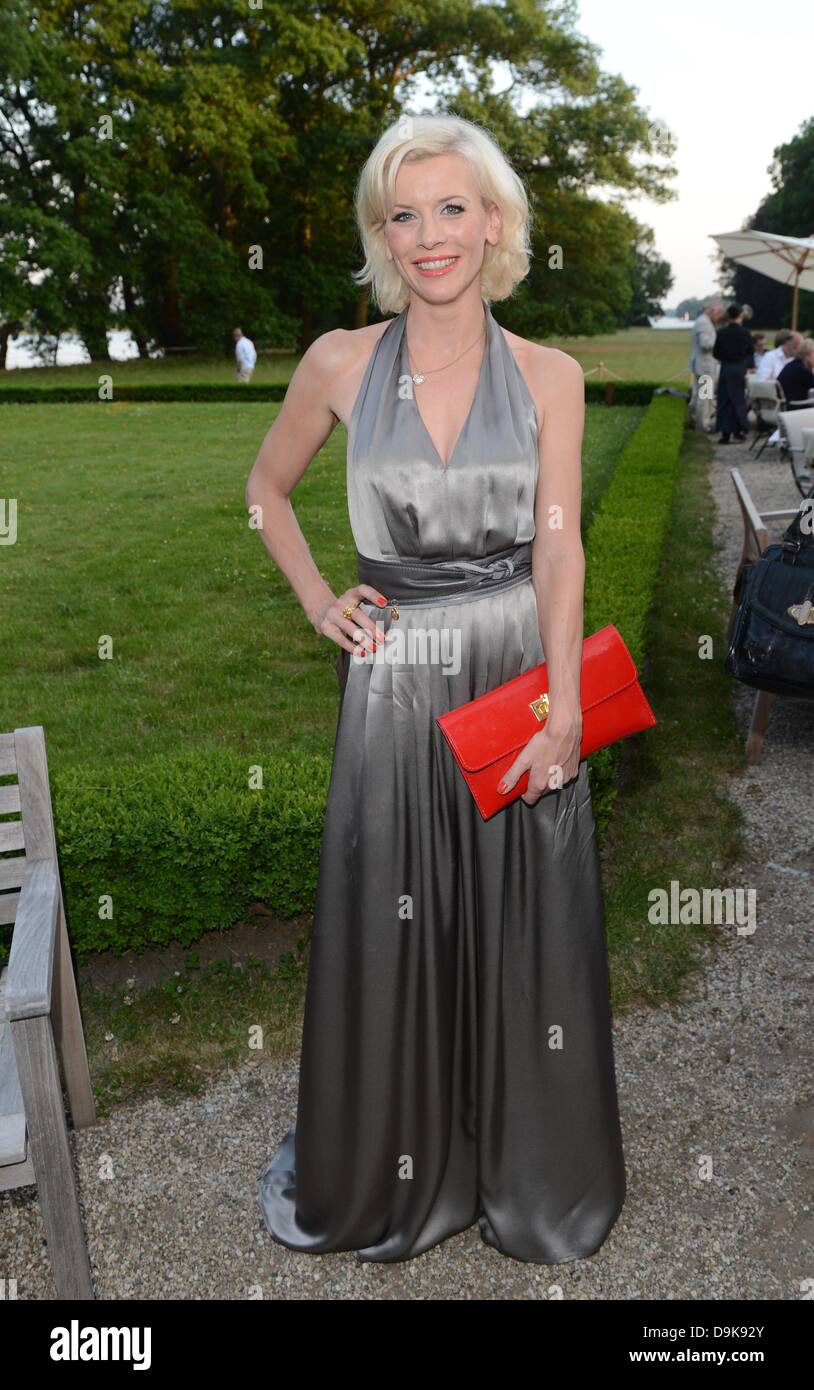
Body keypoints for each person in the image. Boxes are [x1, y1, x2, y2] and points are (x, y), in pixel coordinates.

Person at [247, 114, 627, 1264]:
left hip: (516, 675)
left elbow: (557, 548)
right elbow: (265, 493)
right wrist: (322, 597)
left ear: (494, 222)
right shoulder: (337, 362)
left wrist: (565, 704)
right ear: (381, 234)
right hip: (396, 685)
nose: (428, 234)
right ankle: (396, 1161)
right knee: (394, 915)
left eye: (451, 207)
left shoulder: (550, 375)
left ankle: (526, 1167)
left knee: (521, 919)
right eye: (402, 214)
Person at [712, 303, 755, 442]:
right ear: (740, 315)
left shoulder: (721, 333)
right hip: (739, 368)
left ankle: (725, 433)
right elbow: (751, 351)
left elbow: (715, 352)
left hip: (726, 367)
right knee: (738, 400)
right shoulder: (744, 332)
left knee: (724, 400)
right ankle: (738, 430)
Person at [688, 299, 724, 432]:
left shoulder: (703, 321)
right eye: (719, 313)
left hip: (703, 364)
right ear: (712, 310)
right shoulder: (704, 323)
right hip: (705, 365)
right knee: (705, 396)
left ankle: (699, 422)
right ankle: (703, 425)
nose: (719, 317)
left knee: (701, 395)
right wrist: (720, 342)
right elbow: (705, 344)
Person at [777, 336, 814, 404]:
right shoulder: (802, 370)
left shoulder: (792, 365)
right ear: (807, 354)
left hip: (785, 404)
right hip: (794, 405)